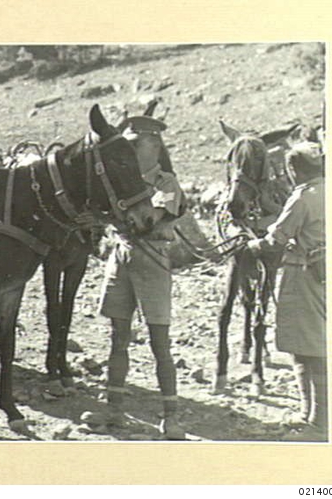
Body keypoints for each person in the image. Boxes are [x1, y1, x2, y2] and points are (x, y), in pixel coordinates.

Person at [97, 116, 186, 440]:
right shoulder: (121, 180)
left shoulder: (166, 182)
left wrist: (117, 217)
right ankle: (114, 410)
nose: (131, 150)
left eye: (136, 145)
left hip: (152, 261)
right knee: (117, 337)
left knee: (159, 342)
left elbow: (148, 221)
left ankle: (171, 418)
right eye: (128, 144)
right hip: (121, 260)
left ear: (155, 146)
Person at [246, 141, 326, 441]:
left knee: (307, 346)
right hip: (325, 273)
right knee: (311, 343)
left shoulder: (303, 197)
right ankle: (308, 414)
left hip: (303, 274)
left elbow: (278, 236)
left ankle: (318, 423)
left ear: (293, 170)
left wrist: (253, 245)